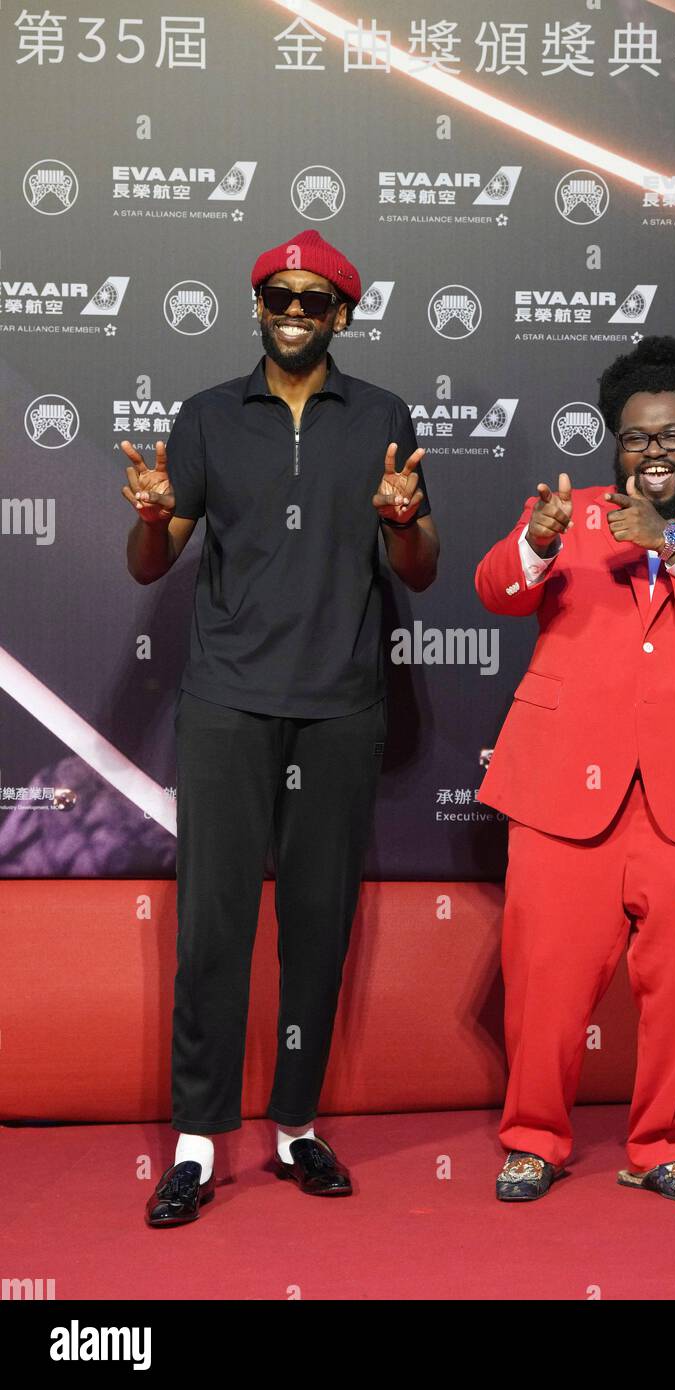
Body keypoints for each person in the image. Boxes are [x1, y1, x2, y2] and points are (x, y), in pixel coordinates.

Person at [122, 229, 439, 1226]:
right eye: (276, 295)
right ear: (257, 305)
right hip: (224, 699)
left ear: (342, 314)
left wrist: (401, 519)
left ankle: (296, 1127)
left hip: (341, 702)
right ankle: (196, 1143)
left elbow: (421, 566)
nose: (292, 311)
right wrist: (150, 514)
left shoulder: (382, 414)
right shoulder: (210, 416)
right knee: (213, 928)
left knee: (315, 926)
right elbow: (149, 562)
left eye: (313, 298)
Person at [474, 335, 675, 1204]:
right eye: (633, 437)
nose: (650, 452)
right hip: (561, 796)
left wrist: (673, 544)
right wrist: (536, 546)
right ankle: (532, 1140)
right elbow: (496, 590)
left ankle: (659, 1146)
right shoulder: (564, 512)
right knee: (544, 983)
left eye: (671, 436)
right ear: (611, 442)